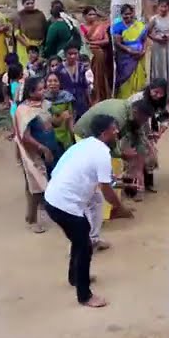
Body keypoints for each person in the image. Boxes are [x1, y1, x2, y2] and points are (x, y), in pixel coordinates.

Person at [44, 113, 133, 308]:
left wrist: (125, 183)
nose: (117, 131)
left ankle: (75, 277)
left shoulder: (84, 145)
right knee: (84, 246)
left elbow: (105, 180)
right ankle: (84, 295)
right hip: (64, 204)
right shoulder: (101, 153)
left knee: (79, 240)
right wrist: (120, 208)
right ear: (104, 133)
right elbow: (106, 187)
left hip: (53, 197)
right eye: (113, 128)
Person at [14, 77, 57, 234]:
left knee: (44, 182)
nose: (44, 90)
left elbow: (51, 123)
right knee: (36, 186)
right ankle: (32, 220)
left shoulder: (45, 105)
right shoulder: (23, 110)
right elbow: (25, 136)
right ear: (30, 92)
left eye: (43, 88)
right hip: (33, 154)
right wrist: (42, 148)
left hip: (49, 149)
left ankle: (35, 214)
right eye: (40, 89)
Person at [110, 3, 149, 99]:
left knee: (139, 77)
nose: (128, 16)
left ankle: (138, 98)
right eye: (125, 14)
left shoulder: (140, 25)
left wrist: (143, 51)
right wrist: (129, 50)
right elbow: (117, 43)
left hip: (139, 56)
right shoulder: (118, 27)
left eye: (130, 13)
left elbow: (144, 40)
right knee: (125, 78)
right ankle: (125, 99)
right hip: (125, 57)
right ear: (121, 15)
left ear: (133, 13)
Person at [145, 0, 169, 99]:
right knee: (158, 68)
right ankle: (158, 94)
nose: (163, 9)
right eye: (161, 6)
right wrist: (155, 38)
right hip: (157, 47)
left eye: (165, 6)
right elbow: (147, 32)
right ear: (158, 7)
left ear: (168, 7)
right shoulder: (154, 19)